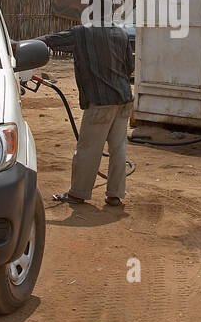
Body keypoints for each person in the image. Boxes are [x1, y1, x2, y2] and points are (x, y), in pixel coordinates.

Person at [41, 23, 134, 206]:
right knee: (119, 149)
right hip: (123, 99)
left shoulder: (83, 33)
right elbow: (129, 67)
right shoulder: (121, 33)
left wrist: (17, 45)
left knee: (88, 149)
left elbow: (50, 40)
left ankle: (77, 193)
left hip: (101, 102)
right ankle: (115, 195)